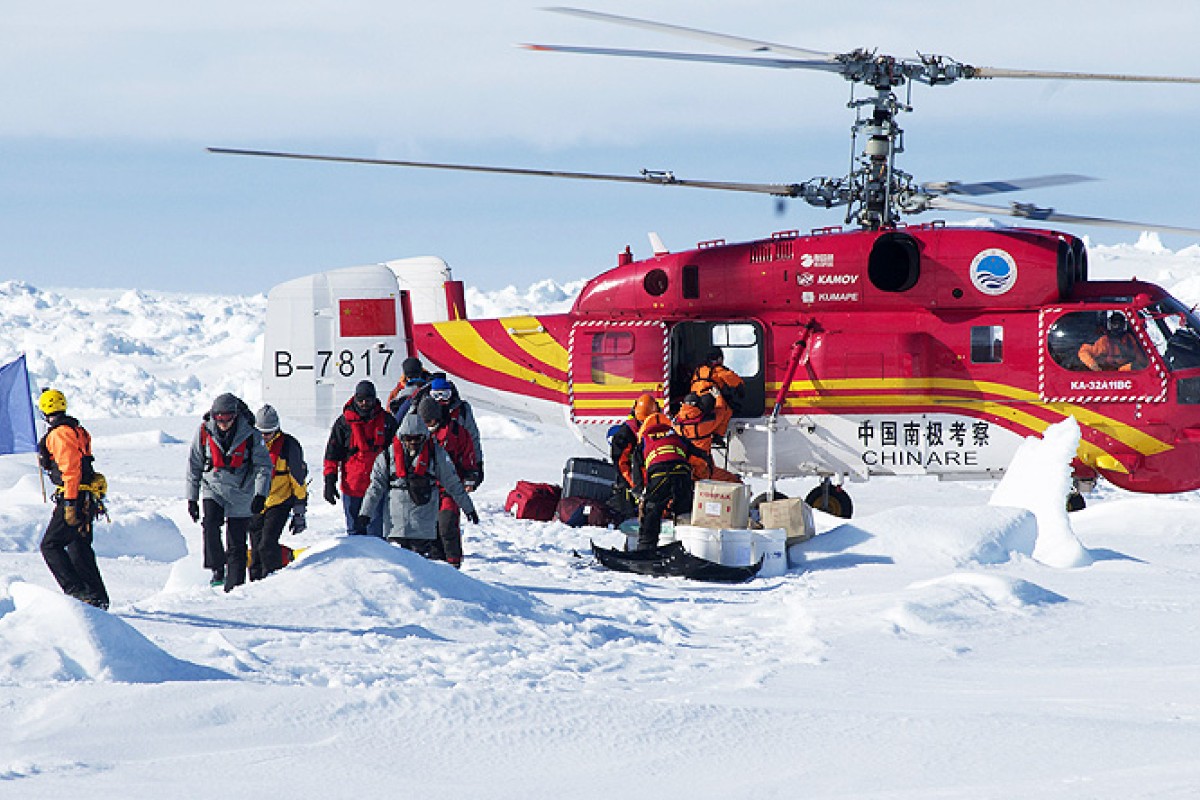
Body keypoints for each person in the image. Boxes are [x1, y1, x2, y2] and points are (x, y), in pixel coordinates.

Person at [359, 413, 479, 559]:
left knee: (421, 566)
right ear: (402, 437)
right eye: (408, 439)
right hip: (396, 525)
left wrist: (468, 508)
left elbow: (452, 483)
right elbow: (375, 487)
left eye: (417, 438)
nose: (413, 442)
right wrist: (365, 514)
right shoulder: (387, 456)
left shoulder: (436, 454)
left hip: (424, 525)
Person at [186, 393, 272, 591]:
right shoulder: (204, 432)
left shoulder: (251, 434)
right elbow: (194, 466)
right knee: (210, 523)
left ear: (235, 416)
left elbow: (263, 466)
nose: (223, 423)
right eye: (219, 418)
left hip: (241, 491)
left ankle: (235, 587)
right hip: (213, 486)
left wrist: (260, 495)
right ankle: (217, 568)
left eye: (227, 419)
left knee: (237, 543)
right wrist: (192, 499)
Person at [36, 389, 110, 609]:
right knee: (79, 547)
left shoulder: (60, 434)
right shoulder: (77, 429)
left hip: (74, 496)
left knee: (51, 545)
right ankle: (96, 596)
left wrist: (69, 503)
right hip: (85, 496)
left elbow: (71, 470)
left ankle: (76, 592)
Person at [323, 380, 398, 537]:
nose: (364, 403)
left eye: (368, 400)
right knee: (354, 533)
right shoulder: (343, 423)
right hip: (352, 486)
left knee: (376, 534)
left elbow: (397, 452)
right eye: (361, 400)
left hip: (377, 487)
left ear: (374, 399)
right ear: (355, 399)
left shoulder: (387, 421)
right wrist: (330, 480)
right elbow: (332, 453)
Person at [247, 404, 308, 581]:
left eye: (269, 433)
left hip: (280, 502)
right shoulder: (249, 444)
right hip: (256, 502)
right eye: (262, 433)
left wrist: (299, 511)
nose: (265, 437)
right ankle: (255, 582)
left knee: (267, 544)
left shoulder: (289, 446)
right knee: (256, 547)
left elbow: (297, 480)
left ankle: (273, 580)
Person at [418, 395, 479, 567]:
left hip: (449, 488)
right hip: (425, 490)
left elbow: (468, 455)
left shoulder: (456, 432)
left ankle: (453, 563)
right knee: (431, 529)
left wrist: (471, 475)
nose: (428, 425)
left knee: (447, 524)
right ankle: (436, 565)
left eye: (430, 421)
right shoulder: (417, 434)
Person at [634, 412, 701, 552]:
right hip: (682, 472)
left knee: (652, 510)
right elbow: (699, 454)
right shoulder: (677, 437)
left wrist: (640, 492)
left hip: (659, 474)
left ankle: (645, 548)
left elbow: (638, 472)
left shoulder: (645, 440)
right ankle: (689, 548)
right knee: (684, 509)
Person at [674, 390, 741, 483]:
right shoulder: (705, 423)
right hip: (701, 467)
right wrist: (718, 397)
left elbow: (684, 415)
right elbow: (721, 412)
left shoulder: (676, 424)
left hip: (684, 467)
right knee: (733, 480)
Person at [425, 376, 483, 481]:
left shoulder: (461, 411)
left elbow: (472, 437)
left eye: (445, 395)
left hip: (455, 468)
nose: (441, 399)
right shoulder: (424, 410)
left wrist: (476, 465)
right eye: (436, 396)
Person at [609, 393, 659, 513]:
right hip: (633, 481)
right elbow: (621, 464)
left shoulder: (660, 426)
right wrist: (635, 485)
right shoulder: (626, 434)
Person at [689, 347, 746, 430]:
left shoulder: (699, 370)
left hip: (694, 401)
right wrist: (741, 391)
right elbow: (736, 382)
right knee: (726, 411)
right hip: (708, 400)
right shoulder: (719, 370)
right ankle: (718, 435)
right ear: (720, 358)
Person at [1078, 312, 1148, 372]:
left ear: (1124, 325)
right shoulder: (1104, 340)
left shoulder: (1130, 339)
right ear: (1110, 325)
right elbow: (1083, 351)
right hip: (1109, 375)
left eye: (1120, 324)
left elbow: (1140, 359)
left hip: (1124, 372)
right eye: (1115, 324)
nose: (1117, 327)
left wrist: (1146, 365)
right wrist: (1092, 365)